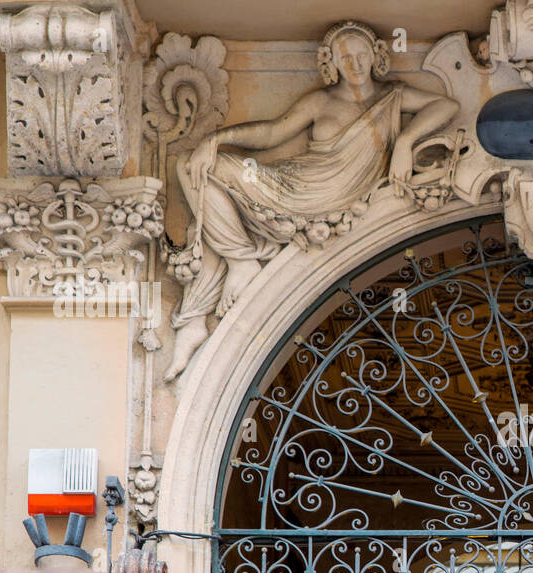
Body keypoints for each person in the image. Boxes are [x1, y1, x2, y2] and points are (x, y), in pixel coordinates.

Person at [165, 21, 459, 380]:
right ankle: (237, 264)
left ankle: (223, 281)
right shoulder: (321, 100)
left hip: (330, 200)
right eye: (345, 56)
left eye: (362, 53)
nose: (355, 63)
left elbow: (445, 104)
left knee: (198, 175)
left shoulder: (393, 97)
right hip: (288, 185)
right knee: (192, 166)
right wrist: (215, 141)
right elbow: (273, 133)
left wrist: (406, 141)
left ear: (376, 56)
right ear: (331, 62)